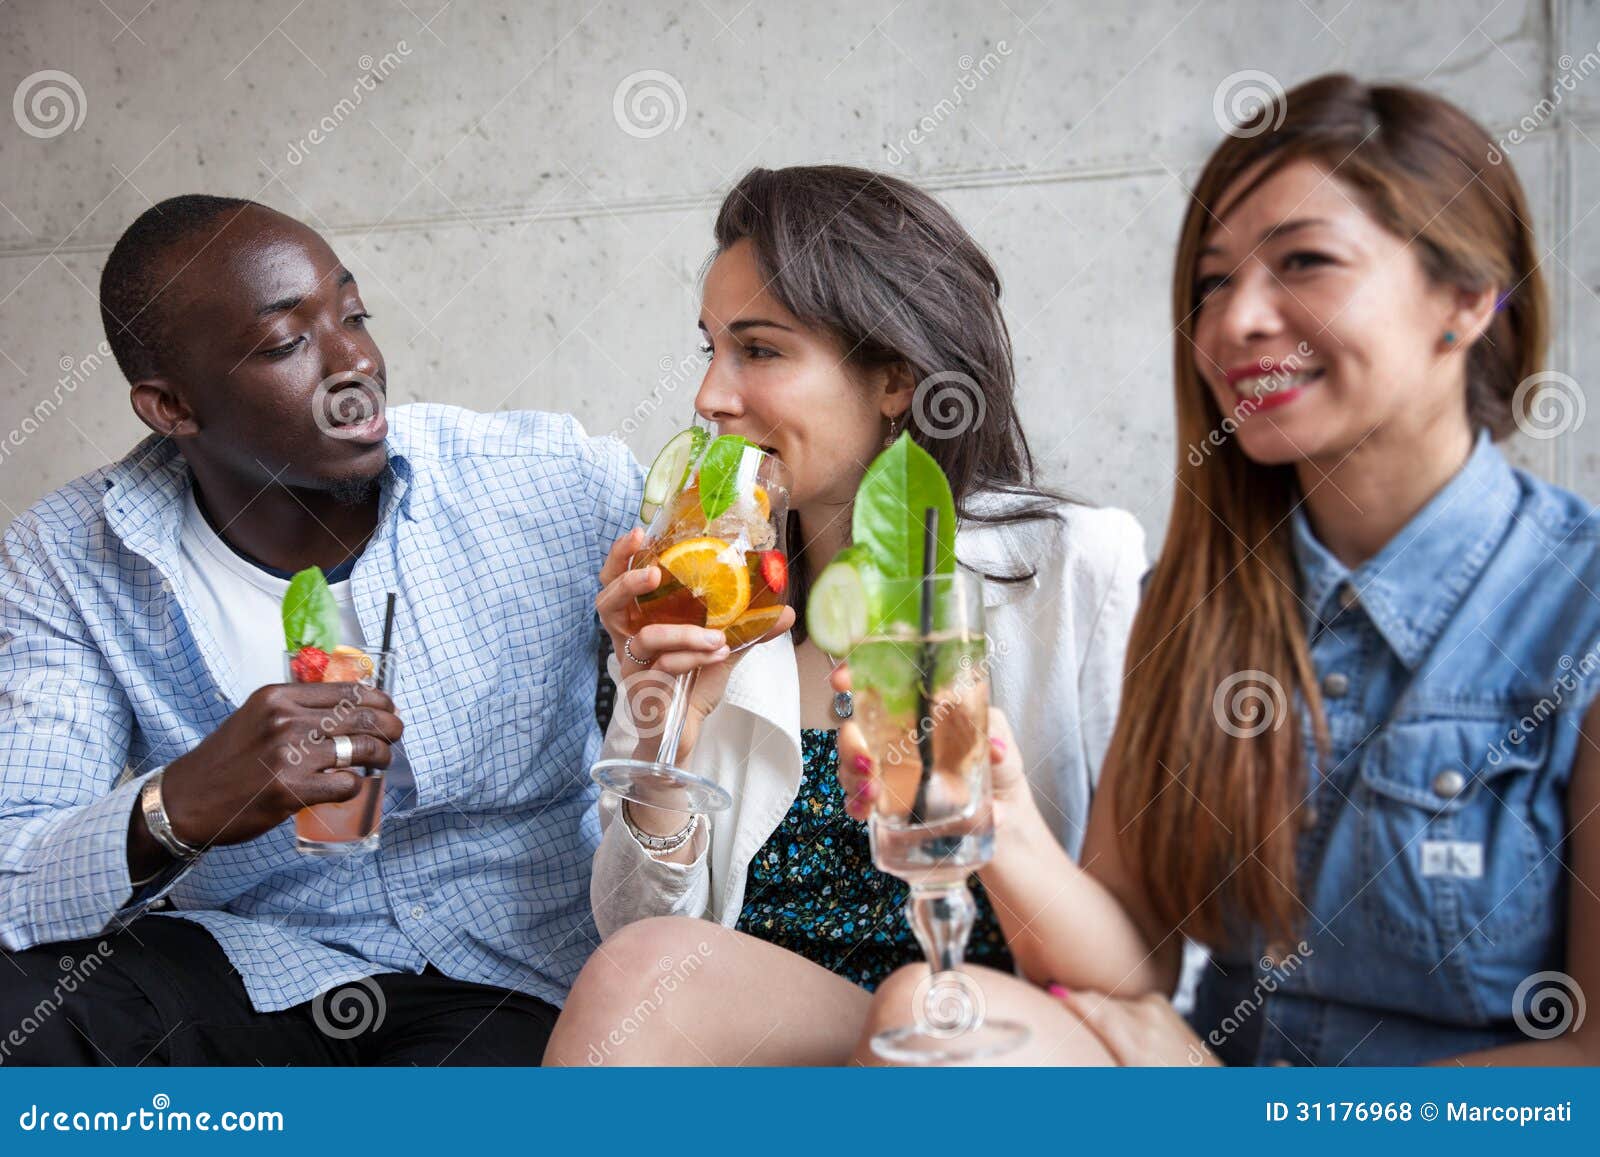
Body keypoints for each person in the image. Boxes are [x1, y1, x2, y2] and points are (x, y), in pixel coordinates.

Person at [845, 74, 1600, 1066]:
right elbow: (1127, 966)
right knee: (930, 1017)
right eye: (1211, 282)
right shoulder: (1199, 594)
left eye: (1304, 263)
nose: (1237, 319)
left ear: (1463, 301)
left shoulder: (1574, 608)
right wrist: (999, 812)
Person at [0, 195, 640, 1065]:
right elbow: (13, 871)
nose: (356, 362)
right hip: (257, 965)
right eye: (286, 343)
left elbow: (771, 551)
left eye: (353, 314)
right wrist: (181, 802)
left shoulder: (547, 481)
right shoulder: (68, 557)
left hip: (512, 977)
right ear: (170, 407)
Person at [544, 165, 1146, 1065]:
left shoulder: (1074, 569)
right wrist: (661, 725)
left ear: (896, 377)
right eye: (709, 348)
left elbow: (1158, 949)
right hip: (784, 1038)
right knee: (639, 978)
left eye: (760, 350)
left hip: (1010, 1045)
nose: (710, 395)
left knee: (919, 1012)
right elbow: (637, 934)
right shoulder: (712, 591)